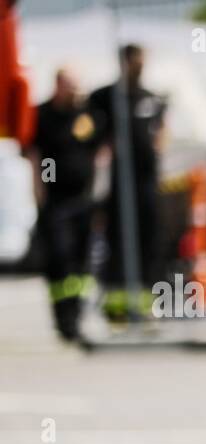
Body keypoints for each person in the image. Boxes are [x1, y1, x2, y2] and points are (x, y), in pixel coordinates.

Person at [88, 44, 166, 322]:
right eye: (135, 62)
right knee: (118, 241)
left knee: (150, 241)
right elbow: (92, 139)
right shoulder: (105, 97)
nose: (140, 67)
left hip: (147, 183)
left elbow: (160, 135)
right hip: (119, 184)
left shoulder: (152, 98)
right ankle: (116, 305)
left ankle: (148, 304)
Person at [27, 67, 103, 342]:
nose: (75, 92)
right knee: (59, 257)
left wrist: (95, 189)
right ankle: (63, 318)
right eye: (70, 86)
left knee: (83, 260)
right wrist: (42, 191)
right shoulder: (44, 115)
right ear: (58, 85)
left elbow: (99, 151)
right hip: (56, 201)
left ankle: (77, 316)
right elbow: (39, 156)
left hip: (83, 198)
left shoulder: (86, 115)